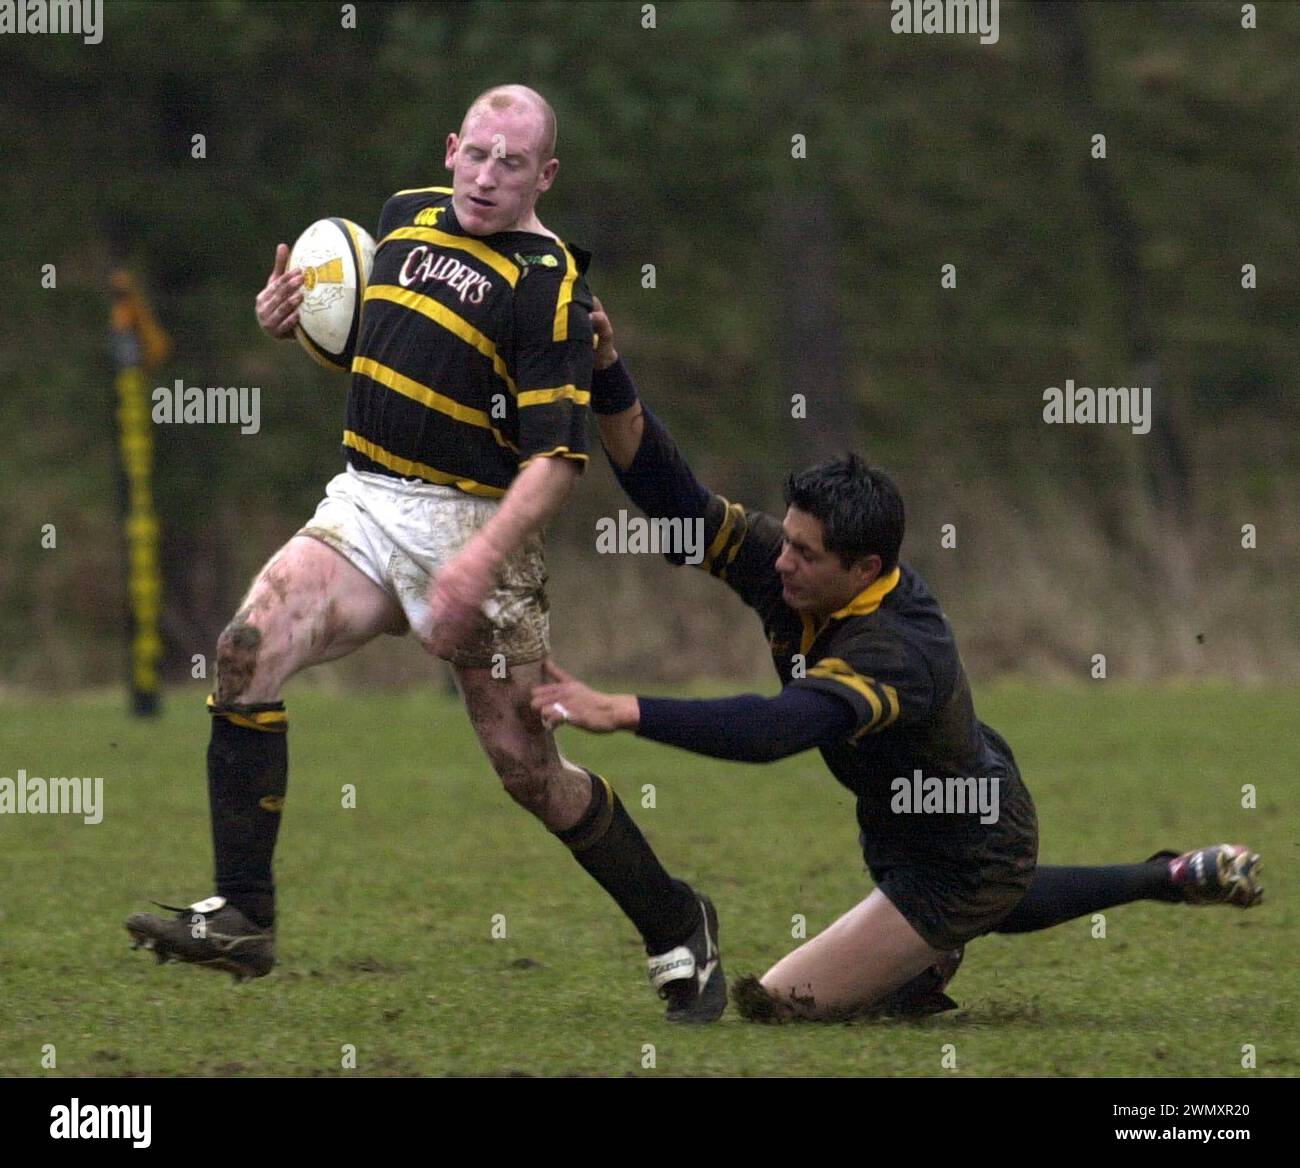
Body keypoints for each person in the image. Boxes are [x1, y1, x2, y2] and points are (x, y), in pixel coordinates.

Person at [125, 86, 724, 1024]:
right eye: (477, 154)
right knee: (246, 650)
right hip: (366, 501)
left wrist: (476, 564)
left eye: (512, 163)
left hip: (478, 526)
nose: (488, 177)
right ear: (451, 149)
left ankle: (677, 920)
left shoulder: (551, 286)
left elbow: (556, 461)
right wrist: (290, 320)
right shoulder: (401, 219)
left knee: (527, 770)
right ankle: (244, 913)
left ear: (546, 176)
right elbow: (382, 346)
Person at [528, 300, 1264, 1021]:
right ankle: (1165, 875)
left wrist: (623, 710)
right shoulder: (797, 572)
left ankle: (948, 947)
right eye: (785, 541)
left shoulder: (896, 651)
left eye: (803, 554)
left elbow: (775, 730)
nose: (779, 563)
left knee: (778, 1003)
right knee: (989, 906)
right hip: (903, 822)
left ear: (864, 566)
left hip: (969, 846)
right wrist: (606, 368)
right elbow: (674, 502)